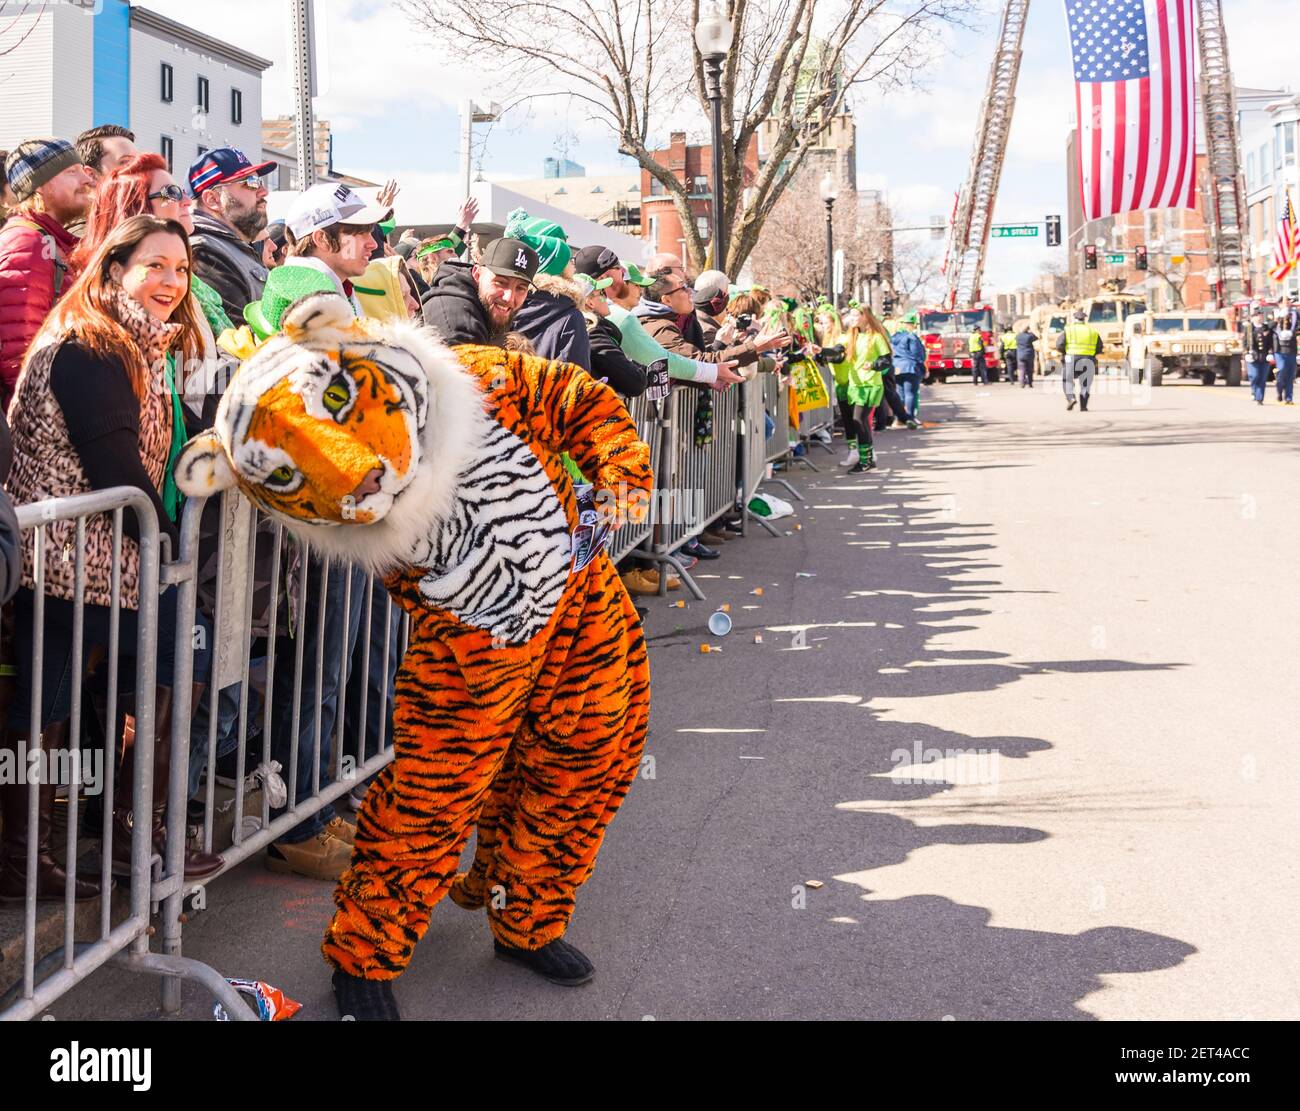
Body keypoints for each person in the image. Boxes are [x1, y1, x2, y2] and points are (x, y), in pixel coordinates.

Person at [1, 215, 223, 900]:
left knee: (145, 678)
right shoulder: (89, 347)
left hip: (100, 554)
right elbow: (117, 468)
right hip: (68, 558)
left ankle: (130, 837)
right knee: (49, 701)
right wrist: (167, 539)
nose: (171, 281)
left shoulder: (129, 342)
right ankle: (26, 858)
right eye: (154, 265)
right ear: (113, 268)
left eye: (180, 270)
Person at [0, 139, 95, 406]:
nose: (86, 178)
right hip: (47, 422)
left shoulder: (54, 241)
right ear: (40, 187)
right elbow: (21, 357)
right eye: (71, 171)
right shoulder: (27, 243)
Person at [187, 147, 276, 324]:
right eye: (250, 182)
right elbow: (236, 342)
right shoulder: (204, 253)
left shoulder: (231, 246)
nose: (263, 191)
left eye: (259, 181)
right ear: (213, 199)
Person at [502, 208, 591, 370]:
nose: (572, 265)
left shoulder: (497, 304)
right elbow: (574, 384)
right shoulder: (569, 316)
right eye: (568, 258)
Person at [836, 306, 891, 472]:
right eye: (850, 316)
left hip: (870, 385)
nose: (850, 319)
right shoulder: (851, 337)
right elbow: (838, 350)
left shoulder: (876, 337)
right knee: (860, 421)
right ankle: (868, 459)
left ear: (864, 317)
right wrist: (821, 351)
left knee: (859, 420)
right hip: (855, 386)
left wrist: (873, 364)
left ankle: (865, 460)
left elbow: (886, 360)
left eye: (854, 315)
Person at [579, 271, 647, 401]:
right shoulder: (592, 331)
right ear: (590, 303)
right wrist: (642, 373)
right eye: (602, 294)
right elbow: (633, 380)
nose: (607, 298)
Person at [1056, 308, 1101, 411]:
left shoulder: (1068, 330)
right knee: (1085, 383)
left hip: (1071, 358)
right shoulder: (1092, 331)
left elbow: (1059, 344)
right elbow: (1099, 347)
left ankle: (1071, 398)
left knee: (1067, 379)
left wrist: (1064, 352)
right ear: (1084, 319)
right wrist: (1091, 354)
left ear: (1075, 319)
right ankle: (1084, 406)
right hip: (1088, 359)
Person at [890, 315, 925, 424]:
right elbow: (917, 355)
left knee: (900, 394)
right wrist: (922, 367)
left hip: (896, 367)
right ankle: (909, 417)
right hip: (910, 367)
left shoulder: (894, 337)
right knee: (910, 393)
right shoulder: (911, 337)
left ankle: (900, 418)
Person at [1242, 309, 1273, 406]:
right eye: (1257, 316)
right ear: (1253, 317)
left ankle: (1260, 398)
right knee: (1254, 376)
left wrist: (1270, 352)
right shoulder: (1249, 328)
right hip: (1253, 355)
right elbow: (1245, 341)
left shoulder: (1266, 328)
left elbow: (1270, 341)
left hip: (1264, 356)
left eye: (1260, 316)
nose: (1259, 317)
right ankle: (1254, 390)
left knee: (1263, 378)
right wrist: (1246, 352)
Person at [1272, 311, 1297, 405]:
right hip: (1280, 353)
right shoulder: (1276, 327)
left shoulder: (1293, 327)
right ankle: (1279, 392)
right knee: (1281, 372)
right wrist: (1277, 318)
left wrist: (1290, 311)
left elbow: (1296, 319)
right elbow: (1270, 326)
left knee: (1290, 377)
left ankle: (1288, 398)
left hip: (1291, 353)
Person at [1015, 322, 1038, 388]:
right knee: (1029, 370)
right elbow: (1036, 337)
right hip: (1029, 355)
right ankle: (1030, 383)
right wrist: (1030, 332)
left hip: (1020, 355)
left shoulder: (1018, 336)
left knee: (1022, 370)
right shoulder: (1030, 336)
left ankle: (1022, 383)